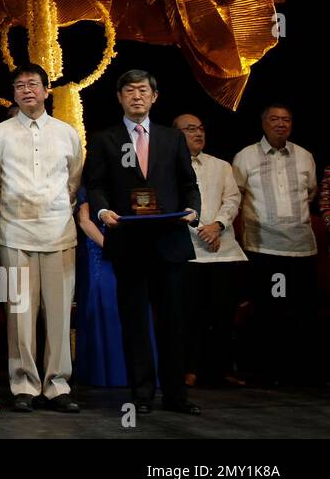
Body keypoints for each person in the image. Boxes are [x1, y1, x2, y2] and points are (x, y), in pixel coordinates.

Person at [84, 69, 201, 415]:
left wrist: (193, 209)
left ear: (154, 97)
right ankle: (142, 395)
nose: (137, 96)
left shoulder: (172, 138)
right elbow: (96, 184)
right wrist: (102, 211)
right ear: (119, 97)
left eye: (143, 90)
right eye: (130, 91)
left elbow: (189, 183)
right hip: (129, 242)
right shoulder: (104, 138)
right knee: (135, 322)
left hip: (169, 240)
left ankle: (176, 395)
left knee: (173, 322)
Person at [0, 64, 83, 413]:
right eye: (20, 85)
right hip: (14, 233)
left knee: (58, 314)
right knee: (19, 314)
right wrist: (11, 211)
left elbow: (73, 182)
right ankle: (23, 384)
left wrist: (54, 208)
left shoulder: (66, 133)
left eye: (33, 84)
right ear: (13, 93)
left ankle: (57, 385)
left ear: (46, 90)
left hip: (59, 233)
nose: (27, 90)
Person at [232, 103, 318, 386]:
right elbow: (235, 196)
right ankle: (264, 372)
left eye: (286, 119)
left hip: (301, 248)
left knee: (300, 311)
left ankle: (298, 373)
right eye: (274, 119)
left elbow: (311, 192)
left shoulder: (305, 156)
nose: (281, 124)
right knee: (266, 311)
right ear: (263, 123)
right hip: (264, 248)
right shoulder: (245, 156)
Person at [172, 114, 245, 388]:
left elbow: (232, 200)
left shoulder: (221, 166)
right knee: (189, 313)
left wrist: (218, 225)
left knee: (222, 314)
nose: (198, 133)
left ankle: (220, 369)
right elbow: (172, 203)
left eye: (201, 128)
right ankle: (189, 368)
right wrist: (202, 229)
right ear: (176, 135)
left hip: (223, 249)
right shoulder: (168, 165)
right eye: (190, 129)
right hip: (189, 249)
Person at [74, 189, 146, 387]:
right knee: (104, 308)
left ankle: (136, 373)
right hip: (99, 253)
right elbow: (84, 221)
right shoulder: (88, 184)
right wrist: (111, 247)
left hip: (129, 251)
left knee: (132, 310)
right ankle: (104, 373)